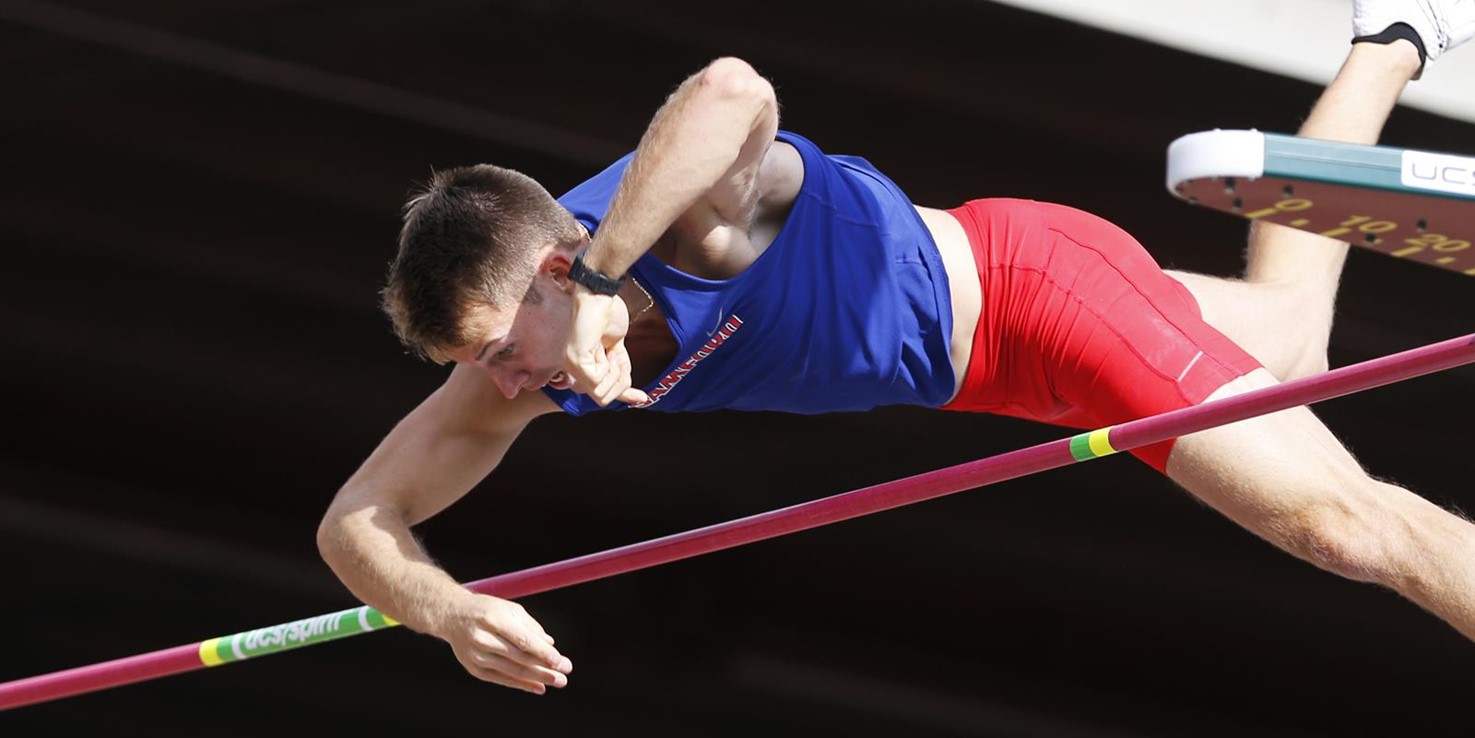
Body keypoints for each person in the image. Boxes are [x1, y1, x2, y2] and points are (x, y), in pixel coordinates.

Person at [317, 0, 1475, 696]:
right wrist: (443, 609)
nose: (506, 386)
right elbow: (359, 519)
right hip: (993, 378)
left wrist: (612, 279)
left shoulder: (681, 218)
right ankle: (1391, 39)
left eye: (502, 351)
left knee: (1338, 529)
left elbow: (730, 87)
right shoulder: (522, 376)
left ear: (558, 271)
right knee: (1293, 345)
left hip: (1037, 294)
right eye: (483, 370)